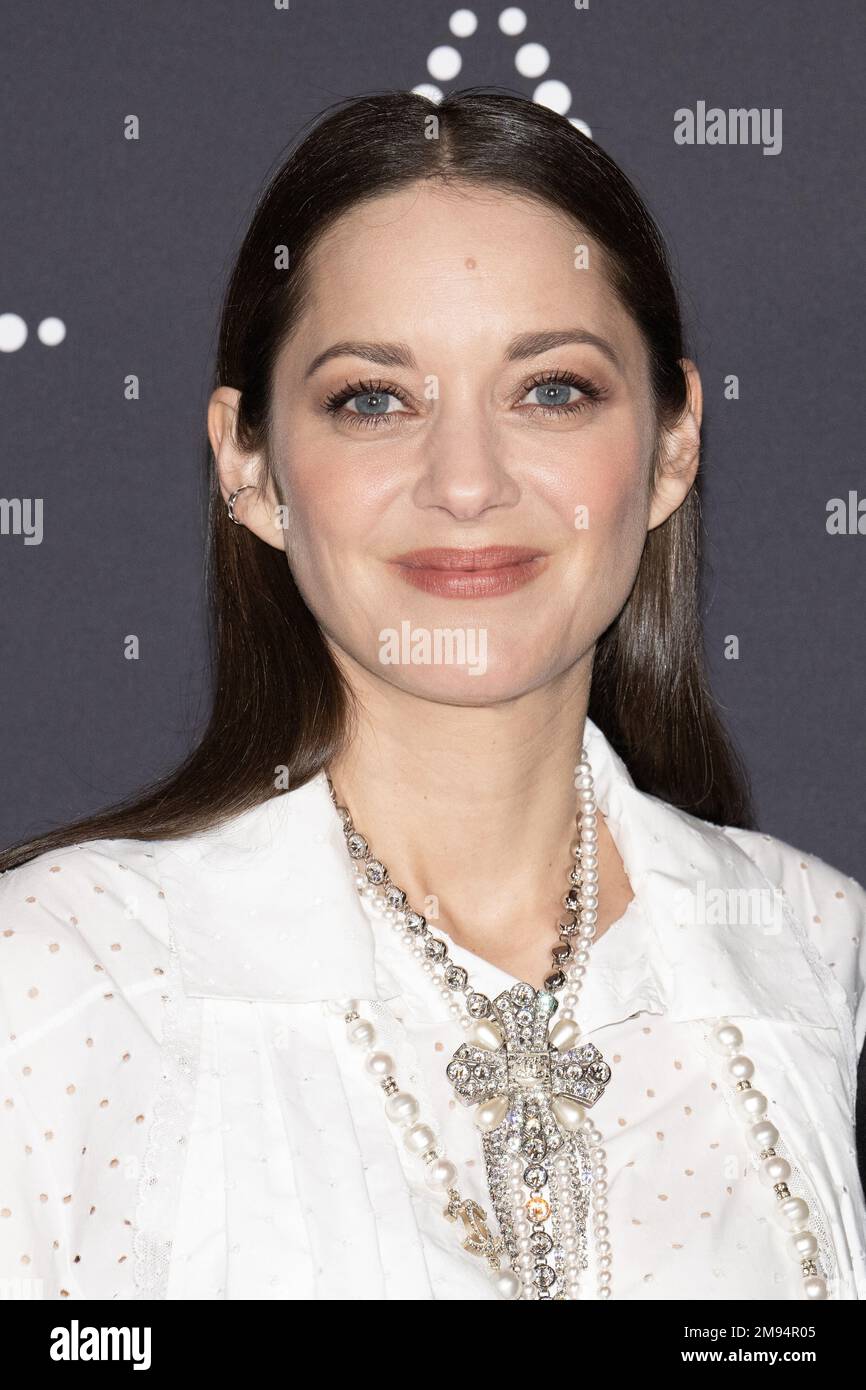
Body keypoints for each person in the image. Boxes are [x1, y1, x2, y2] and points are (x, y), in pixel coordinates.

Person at [1, 90, 863, 1303]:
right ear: (248, 466)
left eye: (550, 390)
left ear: (672, 446)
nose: (466, 482)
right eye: (373, 398)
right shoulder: (63, 979)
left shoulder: (817, 954)